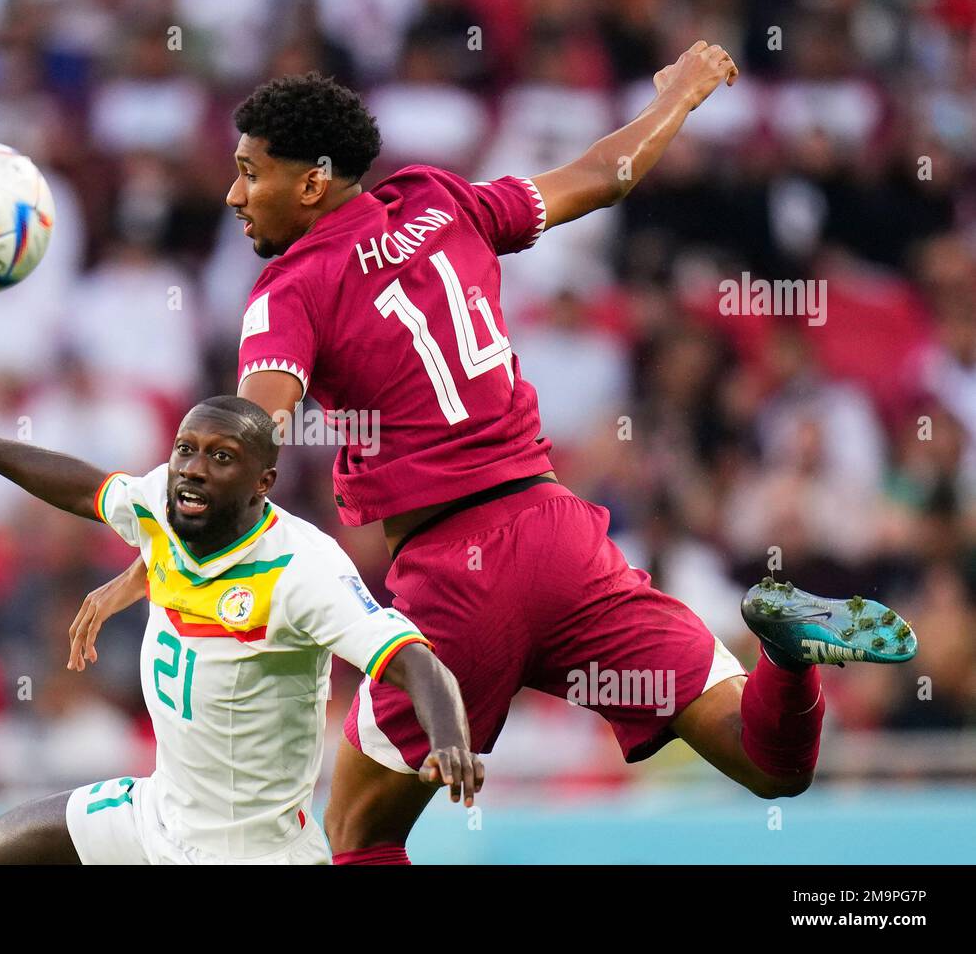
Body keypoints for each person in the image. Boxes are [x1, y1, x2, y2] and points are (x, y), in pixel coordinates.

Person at [76, 44, 917, 866]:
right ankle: (783, 649)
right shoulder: (442, 202)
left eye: (251, 172)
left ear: (310, 181)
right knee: (770, 763)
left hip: (455, 575)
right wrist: (680, 96)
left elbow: (247, 436)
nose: (232, 193)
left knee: (359, 836)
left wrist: (163, 540)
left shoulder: (290, 288)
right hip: (562, 536)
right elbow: (605, 176)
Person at [0, 392, 480, 864]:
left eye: (222, 457)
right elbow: (84, 490)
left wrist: (450, 738)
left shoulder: (303, 571)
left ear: (263, 483)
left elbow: (413, 660)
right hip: (156, 814)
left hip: (252, 853)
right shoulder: (164, 502)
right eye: (186, 449)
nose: (193, 468)